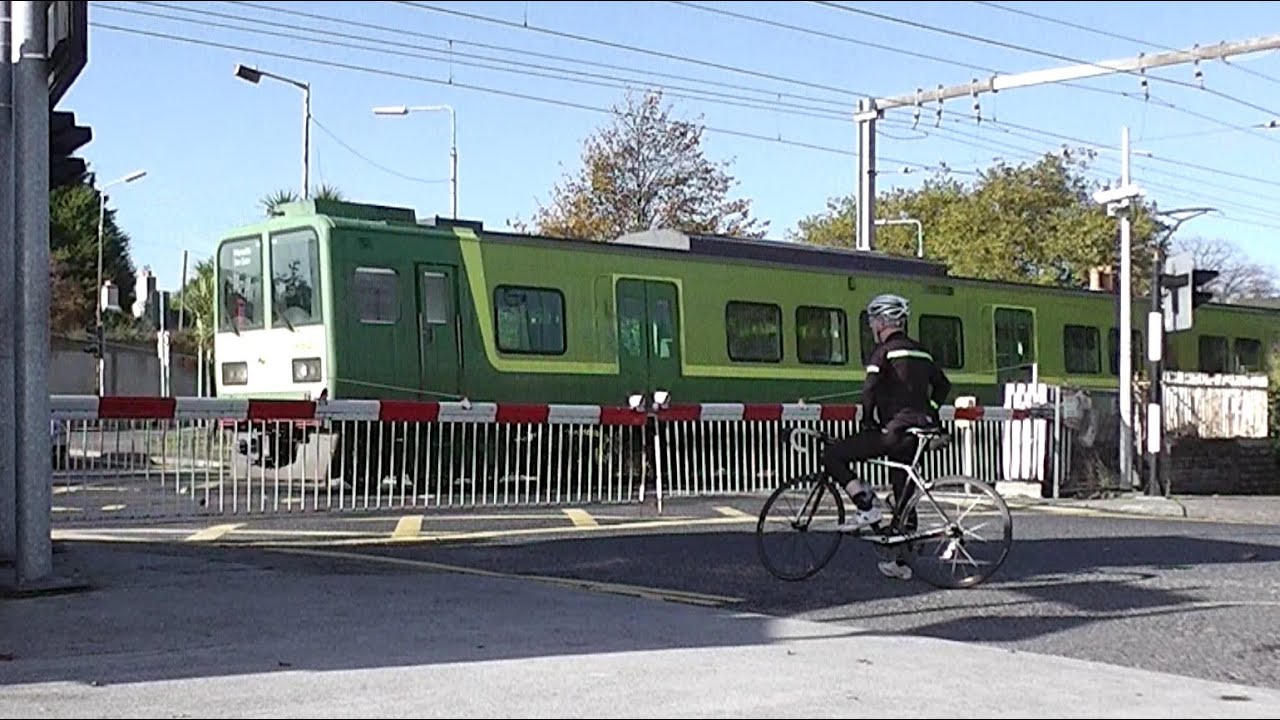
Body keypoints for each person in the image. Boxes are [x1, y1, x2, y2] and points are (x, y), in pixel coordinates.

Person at [821, 293, 952, 580]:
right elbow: (943, 386)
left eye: (872, 321)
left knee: (833, 455)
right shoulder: (922, 352)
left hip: (893, 431)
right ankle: (902, 564)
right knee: (903, 495)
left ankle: (866, 506)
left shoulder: (883, 353)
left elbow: (868, 391)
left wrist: (868, 421)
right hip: (919, 433)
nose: (871, 327)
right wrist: (929, 409)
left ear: (882, 322)